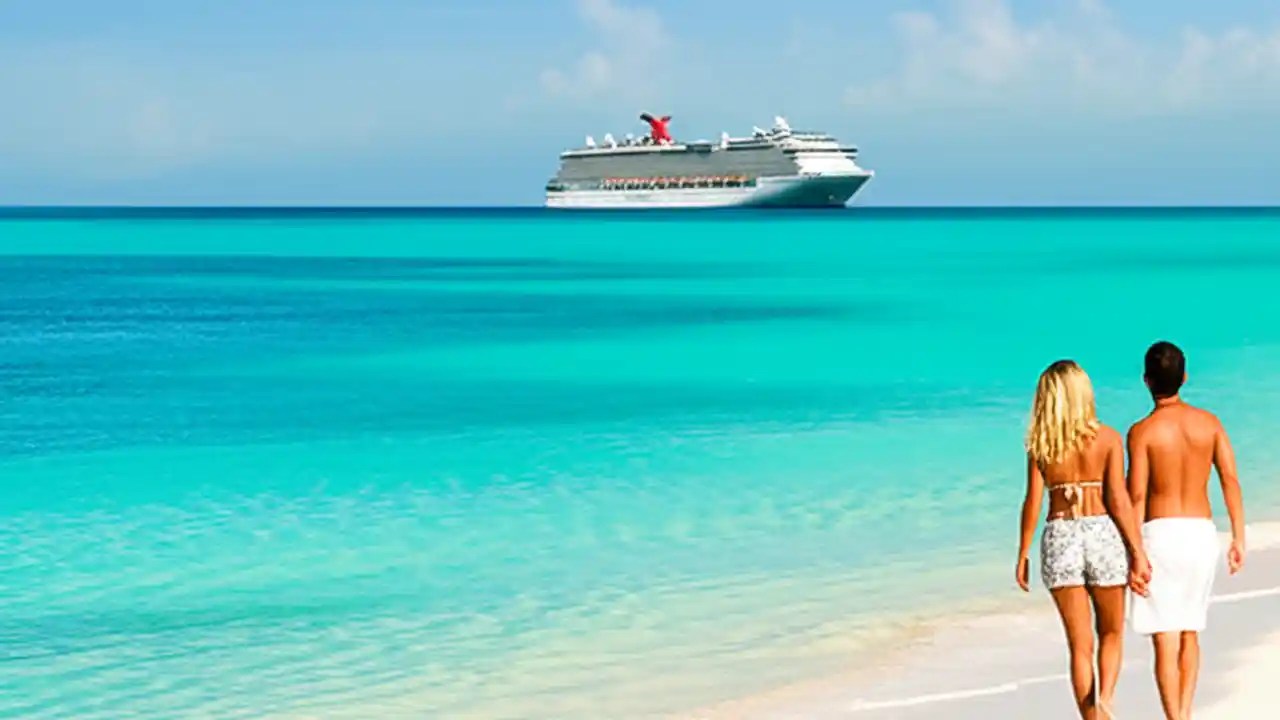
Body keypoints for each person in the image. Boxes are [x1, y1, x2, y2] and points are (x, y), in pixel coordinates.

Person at [1017, 360, 1150, 720]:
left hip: (1060, 533)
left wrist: (1023, 552)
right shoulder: (1107, 439)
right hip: (1101, 532)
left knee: (1079, 646)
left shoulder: (1041, 446)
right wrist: (1137, 551)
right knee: (1110, 633)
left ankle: (1093, 718)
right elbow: (1119, 500)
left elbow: (1032, 501)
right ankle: (1105, 699)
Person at [1128, 341, 1246, 720]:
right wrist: (1238, 537)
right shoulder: (1209, 424)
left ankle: (1174, 717)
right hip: (1200, 534)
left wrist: (1133, 553)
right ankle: (1186, 714)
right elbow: (1229, 478)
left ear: (1146, 381)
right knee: (1191, 630)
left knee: (1165, 638)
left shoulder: (1142, 432)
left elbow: (1136, 494)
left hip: (1159, 535)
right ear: (1186, 376)